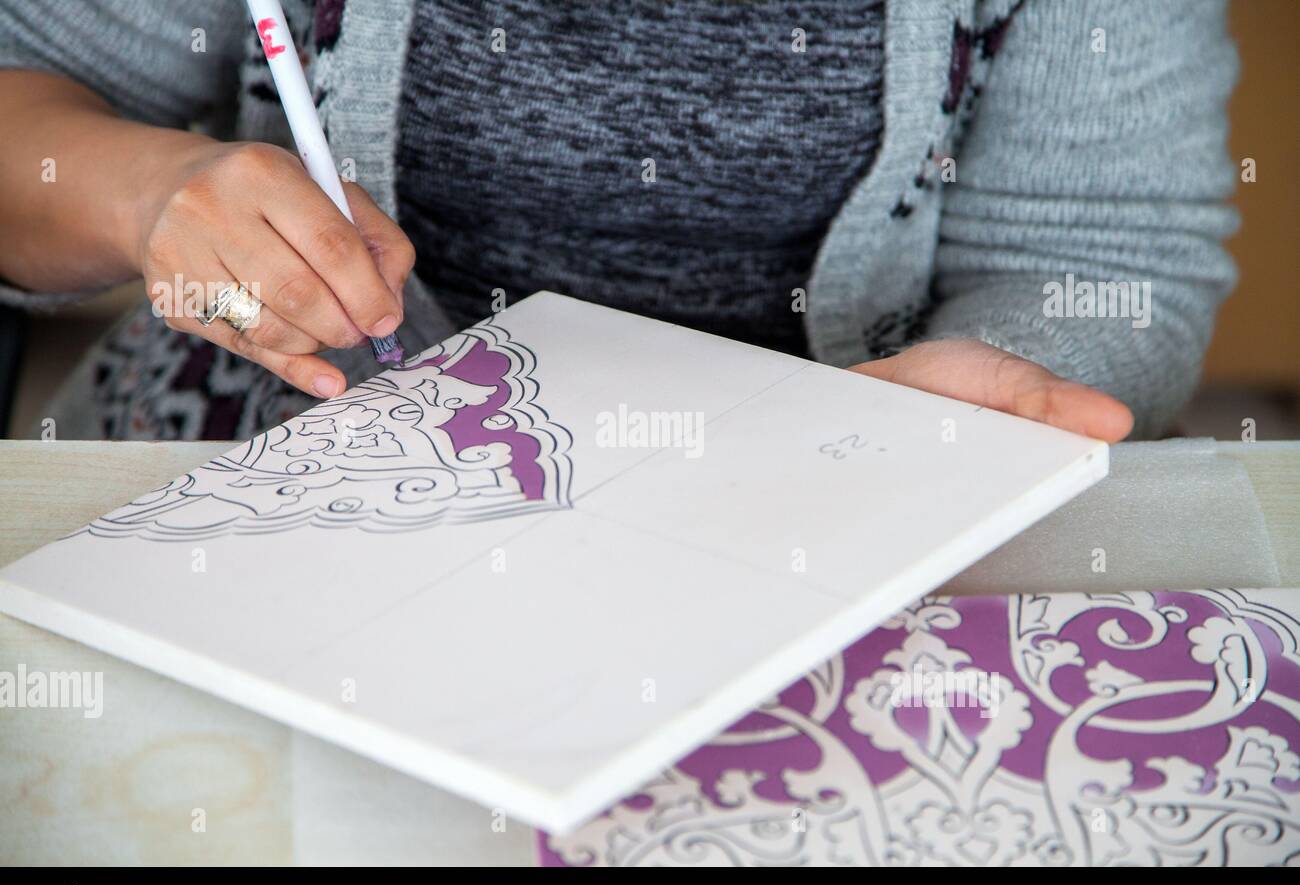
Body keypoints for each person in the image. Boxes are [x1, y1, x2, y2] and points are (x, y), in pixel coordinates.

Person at [0, 0, 1238, 442]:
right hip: (260, 463)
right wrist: (147, 191)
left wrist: (993, 399)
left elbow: (1103, 251)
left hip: (840, 512)